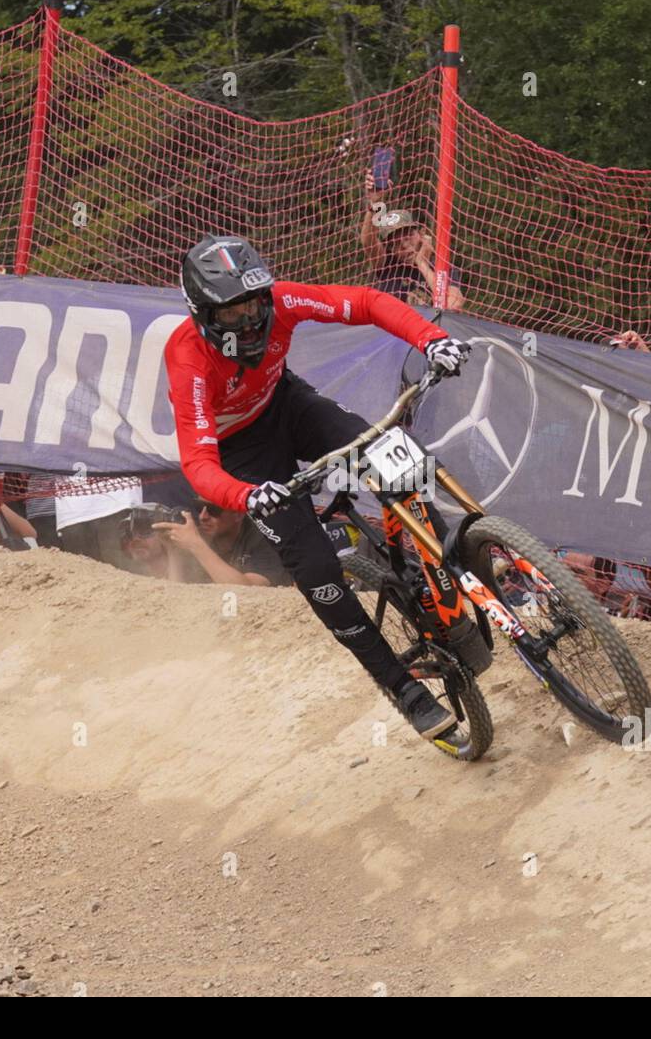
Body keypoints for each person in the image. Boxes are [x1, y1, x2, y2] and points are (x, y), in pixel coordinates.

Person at [169, 234, 471, 741]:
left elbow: (366, 302)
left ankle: (454, 565)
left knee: (395, 456)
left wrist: (429, 339)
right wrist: (247, 496)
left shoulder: (282, 300)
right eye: (232, 313)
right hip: (243, 452)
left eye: (254, 304)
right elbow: (197, 462)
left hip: (288, 406)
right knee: (316, 571)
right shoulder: (187, 358)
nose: (249, 319)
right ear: (202, 315)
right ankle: (404, 690)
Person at [360, 171, 465, 310]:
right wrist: (375, 202)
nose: (404, 245)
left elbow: (453, 304)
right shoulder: (388, 265)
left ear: (421, 234)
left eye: (408, 236)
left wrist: (422, 263)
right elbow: (368, 241)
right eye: (396, 243)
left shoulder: (442, 268)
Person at [125, 498, 290, 586]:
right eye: (199, 507)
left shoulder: (263, 537)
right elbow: (178, 596)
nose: (203, 516)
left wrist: (197, 545)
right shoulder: (201, 537)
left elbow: (246, 590)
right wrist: (173, 550)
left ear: (238, 514)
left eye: (213, 510)